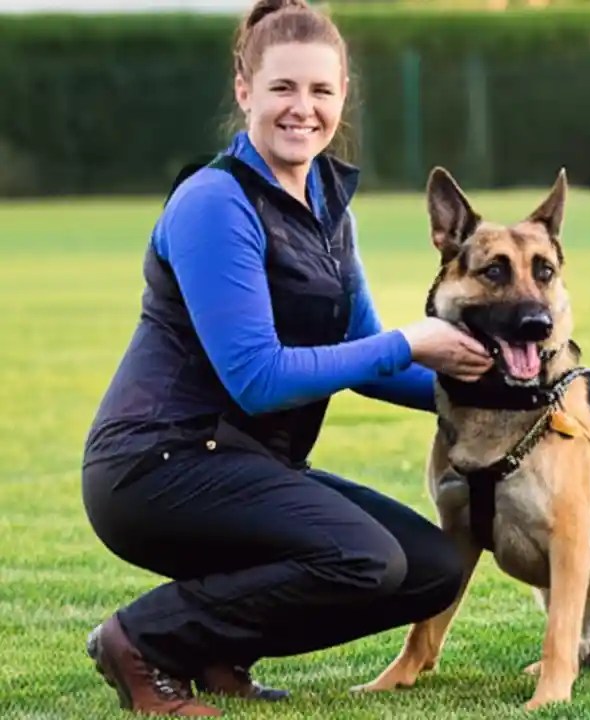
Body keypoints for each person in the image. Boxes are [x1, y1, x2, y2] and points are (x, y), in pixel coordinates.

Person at [79, 1, 493, 715]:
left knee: (432, 568)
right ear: (244, 91)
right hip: (158, 465)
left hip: (246, 463)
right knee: (365, 558)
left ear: (342, 97)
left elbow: (364, 354)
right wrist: (408, 339)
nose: (303, 109)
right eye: (282, 89)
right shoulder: (215, 201)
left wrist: (510, 392)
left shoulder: (330, 200)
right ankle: (144, 639)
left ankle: (216, 651)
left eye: (321, 91)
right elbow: (258, 376)